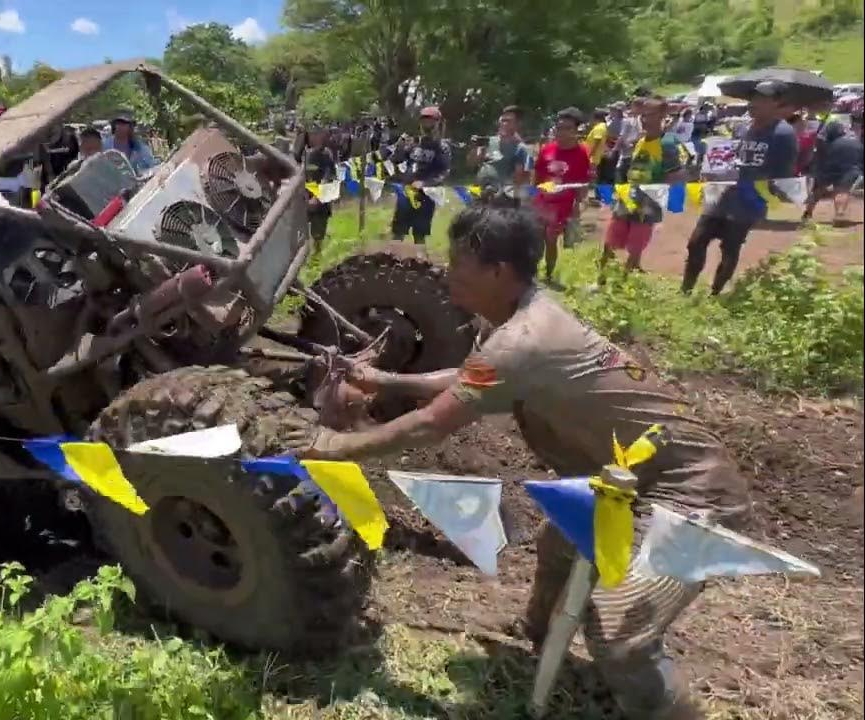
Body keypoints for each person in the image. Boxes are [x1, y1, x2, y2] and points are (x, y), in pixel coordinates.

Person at [299, 205, 750, 720]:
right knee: (560, 543)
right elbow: (472, 376)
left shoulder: (523, 341)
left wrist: (333, 447)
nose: (448, 272)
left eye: (458, 262)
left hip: (691, 493)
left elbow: (429, 425)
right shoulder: (525, 318)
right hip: (630, 477)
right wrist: (388, 382)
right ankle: (538, 636)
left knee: (621, 635)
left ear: (498, 272)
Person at [682, 80, 798, 295]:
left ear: (777, 103)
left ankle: (715, 293)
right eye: (753, 98)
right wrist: (715, 170)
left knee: (729, 248)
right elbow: (730, 157)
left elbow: (783, 175)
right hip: (723, 194)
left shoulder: (783, 134)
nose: (754, 103)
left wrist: (761, 183)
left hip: (749, 201)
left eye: (762, 99)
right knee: (696, 242)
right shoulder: (744, 128)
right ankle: (685, 290)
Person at [601, 96, 687, 280]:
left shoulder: (668, 144)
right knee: (610, 241)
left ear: (663, 115)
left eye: (651, 115)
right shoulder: (640, 140)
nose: (645, 120)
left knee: (635, 247)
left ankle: (621, 283)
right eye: (643, 115)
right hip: (627, 197)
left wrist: (656, 193)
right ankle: (601, 279)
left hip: (647, 204)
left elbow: (676, 176)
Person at [532, 107, 591, 284]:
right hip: (541, 202)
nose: (562, 132)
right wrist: (532, 197)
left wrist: (577, 207)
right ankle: (532, 273)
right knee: (535, 239)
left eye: (567, 128)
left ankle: (549, 275)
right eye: (559, 128)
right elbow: (537, 176)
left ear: (575, 131)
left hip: (562, 207)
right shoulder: (547, 150)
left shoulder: (582, 154)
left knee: (551, 241)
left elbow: (582, 184)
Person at [389, 106, 450, 243]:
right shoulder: (413, 142)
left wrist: (425, 183)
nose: (426, 125)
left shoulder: (442, 147)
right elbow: (396, 161)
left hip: (426, 194)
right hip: (406, 192)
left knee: (420, 234)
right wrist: (399, 147)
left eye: (430, 121)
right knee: (398, 231)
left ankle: (419, 260)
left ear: (437, 123)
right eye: (424, 121)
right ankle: (394, 259)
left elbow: (444, 172)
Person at [802, 112, 863, 224]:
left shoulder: (833, 123)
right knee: (842, 188)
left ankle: (808, 212)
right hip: (855, 151)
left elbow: (820, 140)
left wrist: (819, 159)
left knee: (819, 188)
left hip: (835, 149)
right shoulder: (857, 128)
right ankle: (839, 214)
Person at [469, 105, 530, 204]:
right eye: (502, 120)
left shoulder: (521, 149)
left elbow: (520, 179)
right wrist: (474, 148)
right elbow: (472, 163)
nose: (503, 124)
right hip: (479, 193)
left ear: (518, 124)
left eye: (508, 121)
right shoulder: (489, 141)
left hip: (503, 199)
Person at [300, 124, 338, 250]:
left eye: (318, 134)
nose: (315, 137)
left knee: (317, 235)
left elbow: (328, 177)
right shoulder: (303, 153)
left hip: (321, 201)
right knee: (300, 237)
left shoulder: (326, 154)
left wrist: (316, 198)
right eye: (312, 134)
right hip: (304, 199)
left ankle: (316, 259)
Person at [104, 110, 157, 174]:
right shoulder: (105, 145)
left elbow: (151, 167)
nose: (120, 126)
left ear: (131, 127)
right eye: (118, 123)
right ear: (114, 125)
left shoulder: (140, 148)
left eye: (124, 123)